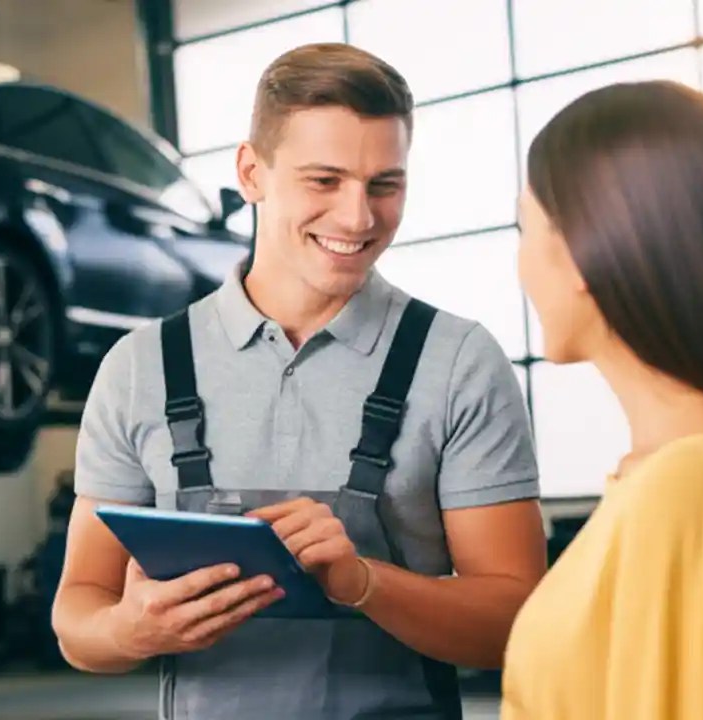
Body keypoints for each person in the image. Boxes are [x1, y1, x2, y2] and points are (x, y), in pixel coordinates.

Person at [51, 42, 547, 719]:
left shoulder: (458, 359)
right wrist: (128, 631)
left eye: (385, 185)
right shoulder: (140, 367)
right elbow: (79, 612)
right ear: (251, 173)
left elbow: (517, 623)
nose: (358, 218)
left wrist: (364, 581)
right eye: (324, 181)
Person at [501, 80, 703, 719]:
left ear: (579, 251)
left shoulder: (700, 492)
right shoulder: (681, 481)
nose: (520, 262)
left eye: (526, 226)